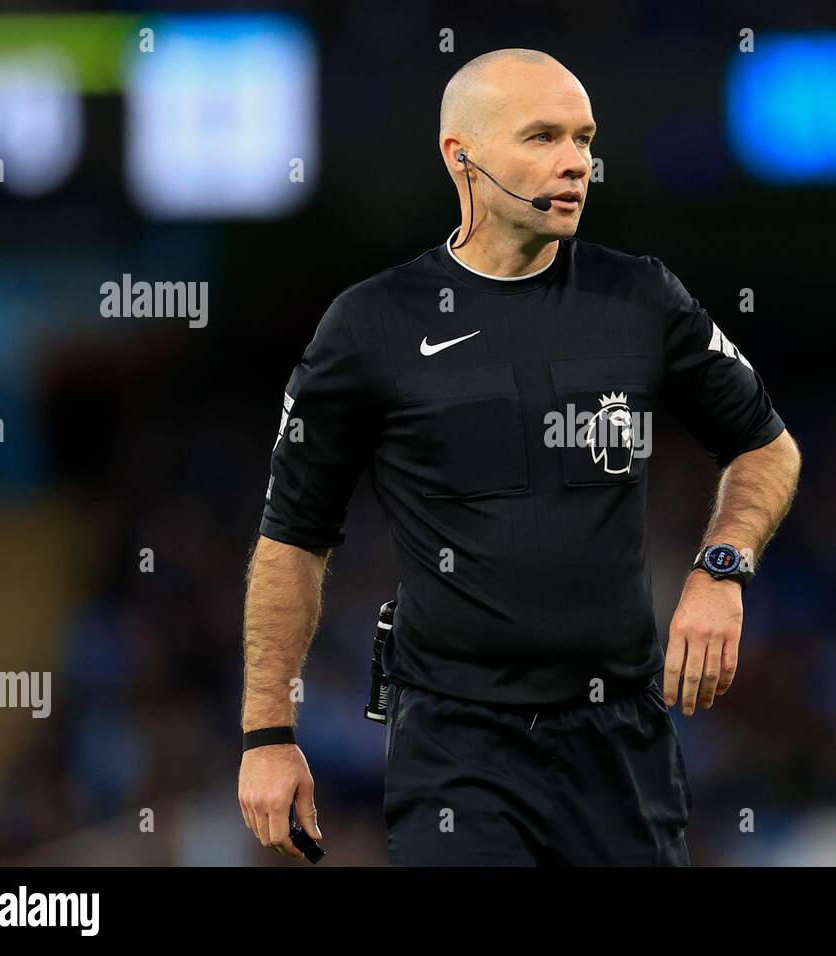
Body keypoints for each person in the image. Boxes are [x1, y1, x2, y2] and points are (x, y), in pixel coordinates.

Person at [238, 48, 801, 866]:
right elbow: (292, 539)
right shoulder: (370, 326)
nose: (575, 162)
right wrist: (267, 734)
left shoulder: (640, 298)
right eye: (542, 137)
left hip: (621, 742)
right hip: (456, 746)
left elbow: (766, 446)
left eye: (584, 139)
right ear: (459, 156)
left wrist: (721, 567)